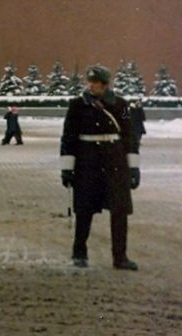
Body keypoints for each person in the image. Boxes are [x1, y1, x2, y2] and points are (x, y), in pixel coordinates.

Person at [60, 64, 140, 271]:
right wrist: (67, 168)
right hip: (88, 162)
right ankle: (79, 252)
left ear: (105, 84)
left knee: (119, 211)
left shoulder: (120, 105)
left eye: (97, 82)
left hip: (115, 162)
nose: (92, 85)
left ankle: (120, 257)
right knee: (84, 210)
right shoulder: (77, 105)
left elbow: (129, 137)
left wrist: (133, 168)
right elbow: (68, 137)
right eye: (91, 82)